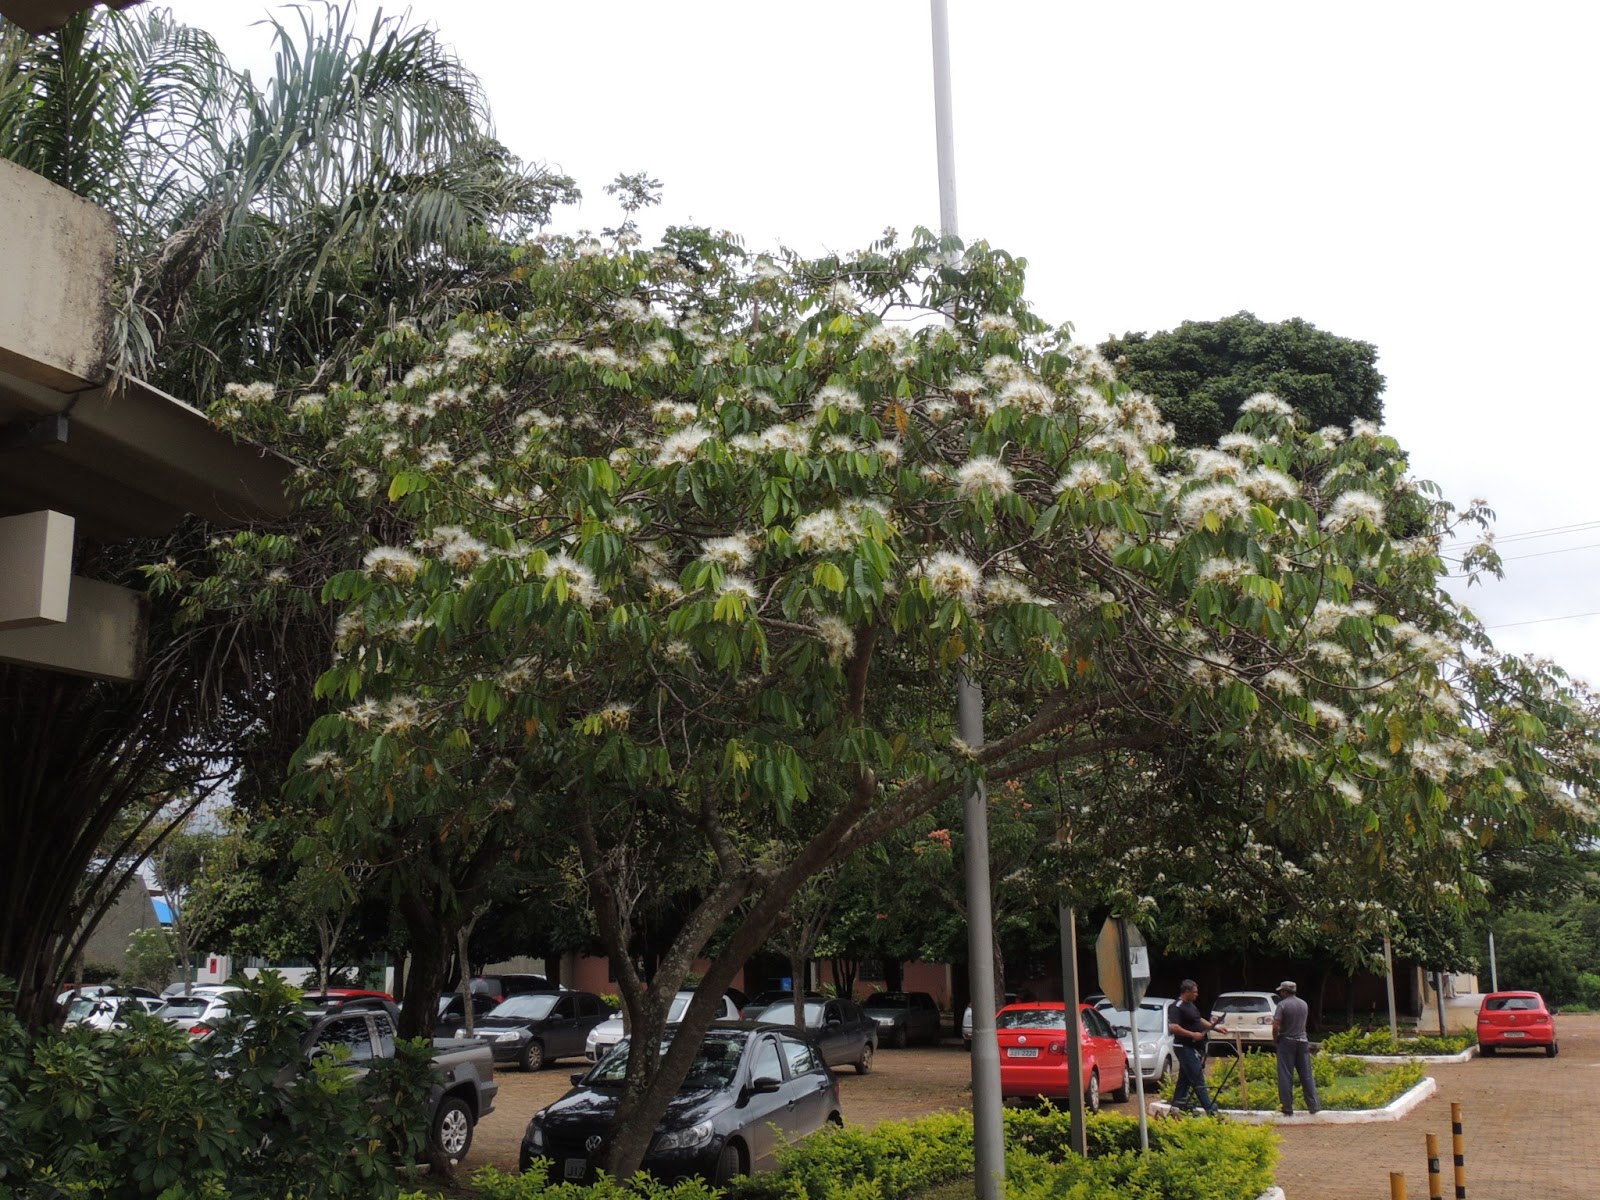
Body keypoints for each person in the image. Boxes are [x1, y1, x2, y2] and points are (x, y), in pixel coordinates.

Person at [1168, 979, 1226, 1116]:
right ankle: (1212, 1111)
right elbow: (1174, 1027)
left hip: (1195, 1047)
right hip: (1184, 1046)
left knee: (1185, 1078)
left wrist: (1216, 1028)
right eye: (1194, 992)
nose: (1196, 994)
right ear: (1186, 992)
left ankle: (1176, 1107)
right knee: (1197, 1078)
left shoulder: (1191, 1005)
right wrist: (1192, 1034)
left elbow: (1198, 1020)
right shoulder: (1176, 1006)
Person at [1272, 980, 1321, 1116]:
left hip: (1287, 1042)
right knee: (1306, 1074)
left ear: (1284, 992)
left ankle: (1287, 1107)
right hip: (1303, 1041)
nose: (1280, 993)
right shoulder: (1303, 1004)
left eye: (1281, 991)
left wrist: (1275, 1038)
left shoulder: (1282, 1005)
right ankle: (1313, 1105)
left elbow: (1276, 1025)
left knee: (1286, 1075)